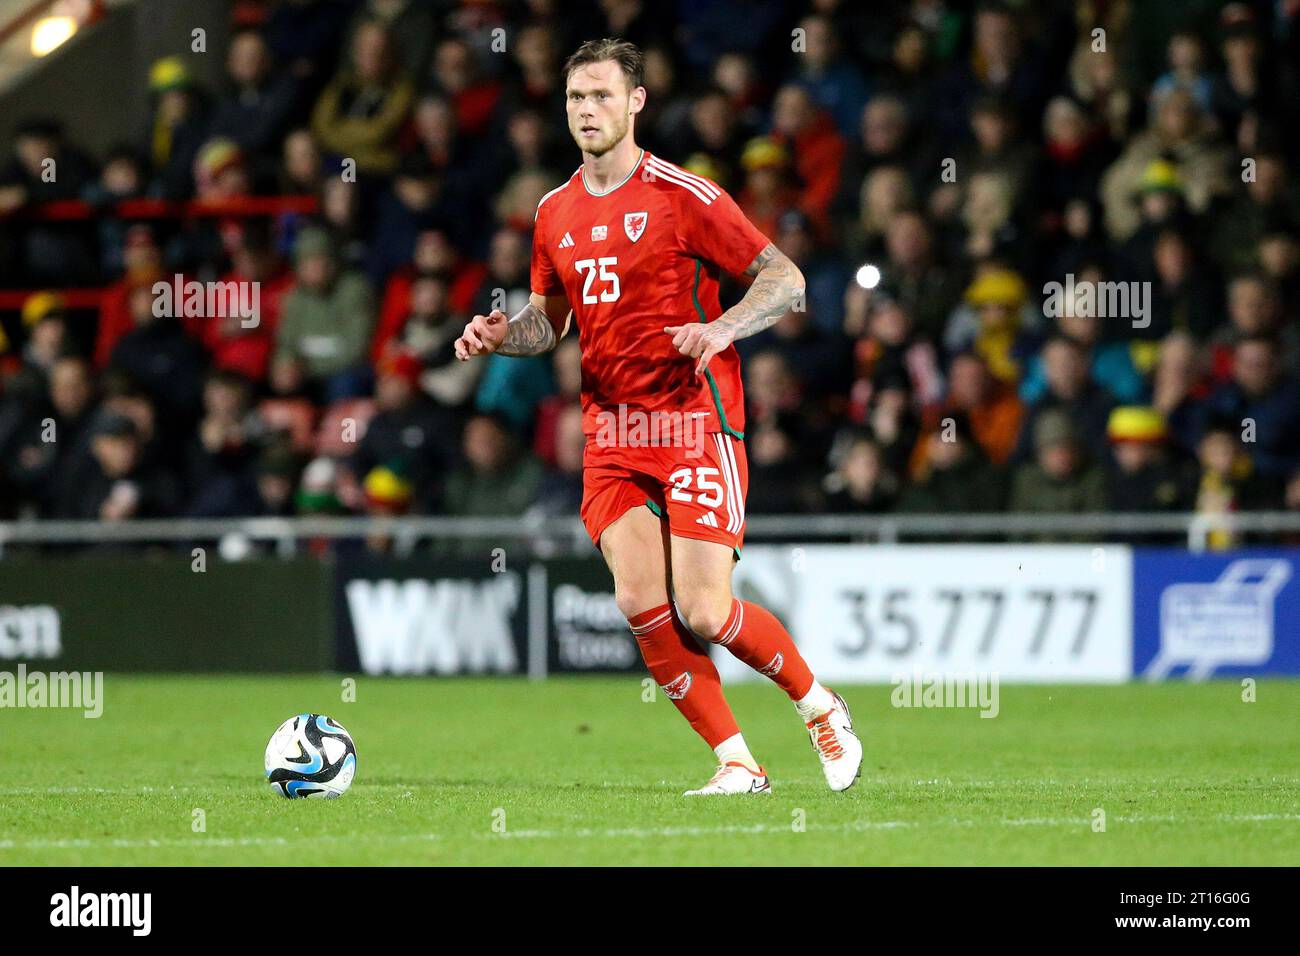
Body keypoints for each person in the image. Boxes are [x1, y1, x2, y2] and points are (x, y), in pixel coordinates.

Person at [454, 39, 862, 796]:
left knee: (704, 609)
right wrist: (502, 336)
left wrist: (722, 328)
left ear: (636, 103)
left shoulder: (685, 196)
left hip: (692, 421)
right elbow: (552, 322)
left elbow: (788, 278)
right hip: (612, 430)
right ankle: (737, 762)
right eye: (576, 97)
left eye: (603, 96)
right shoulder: (552, 213)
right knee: (639, 602)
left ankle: (818, 705)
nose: (587, 110)